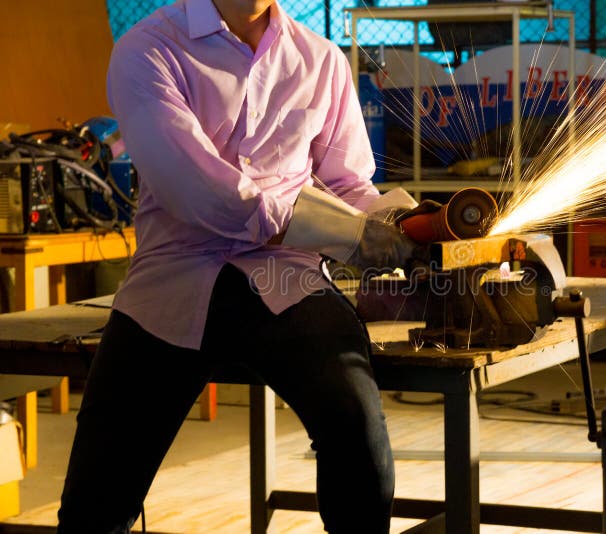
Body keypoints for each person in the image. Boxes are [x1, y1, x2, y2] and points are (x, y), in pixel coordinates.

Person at [56, 0, 419, 532]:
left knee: (356, 428)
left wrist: (403, 224)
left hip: (286, 279)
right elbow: (200, 193)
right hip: (176, 280)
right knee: (97, 499)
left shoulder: (320, 60)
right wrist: (341, 234)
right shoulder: (150, 50)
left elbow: (347, 185)